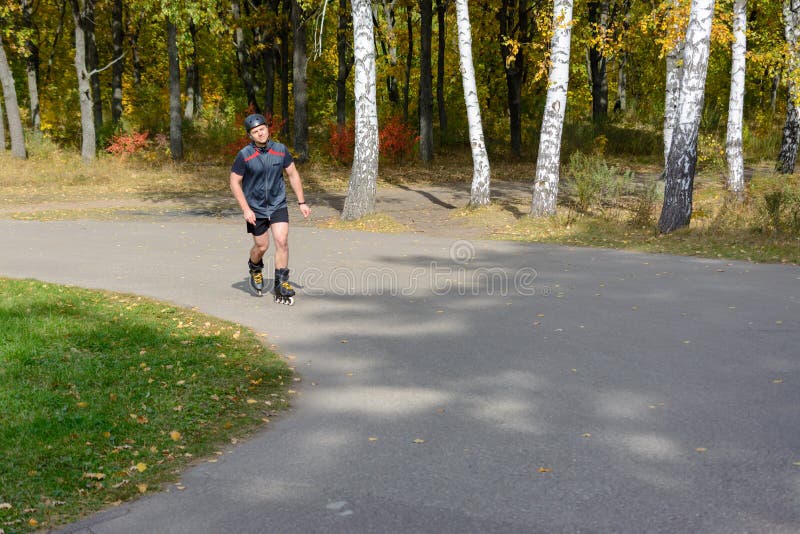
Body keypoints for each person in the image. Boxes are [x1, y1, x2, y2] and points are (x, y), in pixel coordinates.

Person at [230, 113, 311, 304]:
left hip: (277, 204)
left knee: (281, 241)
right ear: (250, 135)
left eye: (262, 129)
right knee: (262, 246)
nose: (260, 134)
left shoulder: (280, 150)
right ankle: (255, 267)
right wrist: (245, 208)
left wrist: (301, 202)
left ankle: (281, 283)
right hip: (255, 208)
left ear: (268, 128)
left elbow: (293, 175)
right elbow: (234, 182)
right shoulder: (245, 155)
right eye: (255, 132)